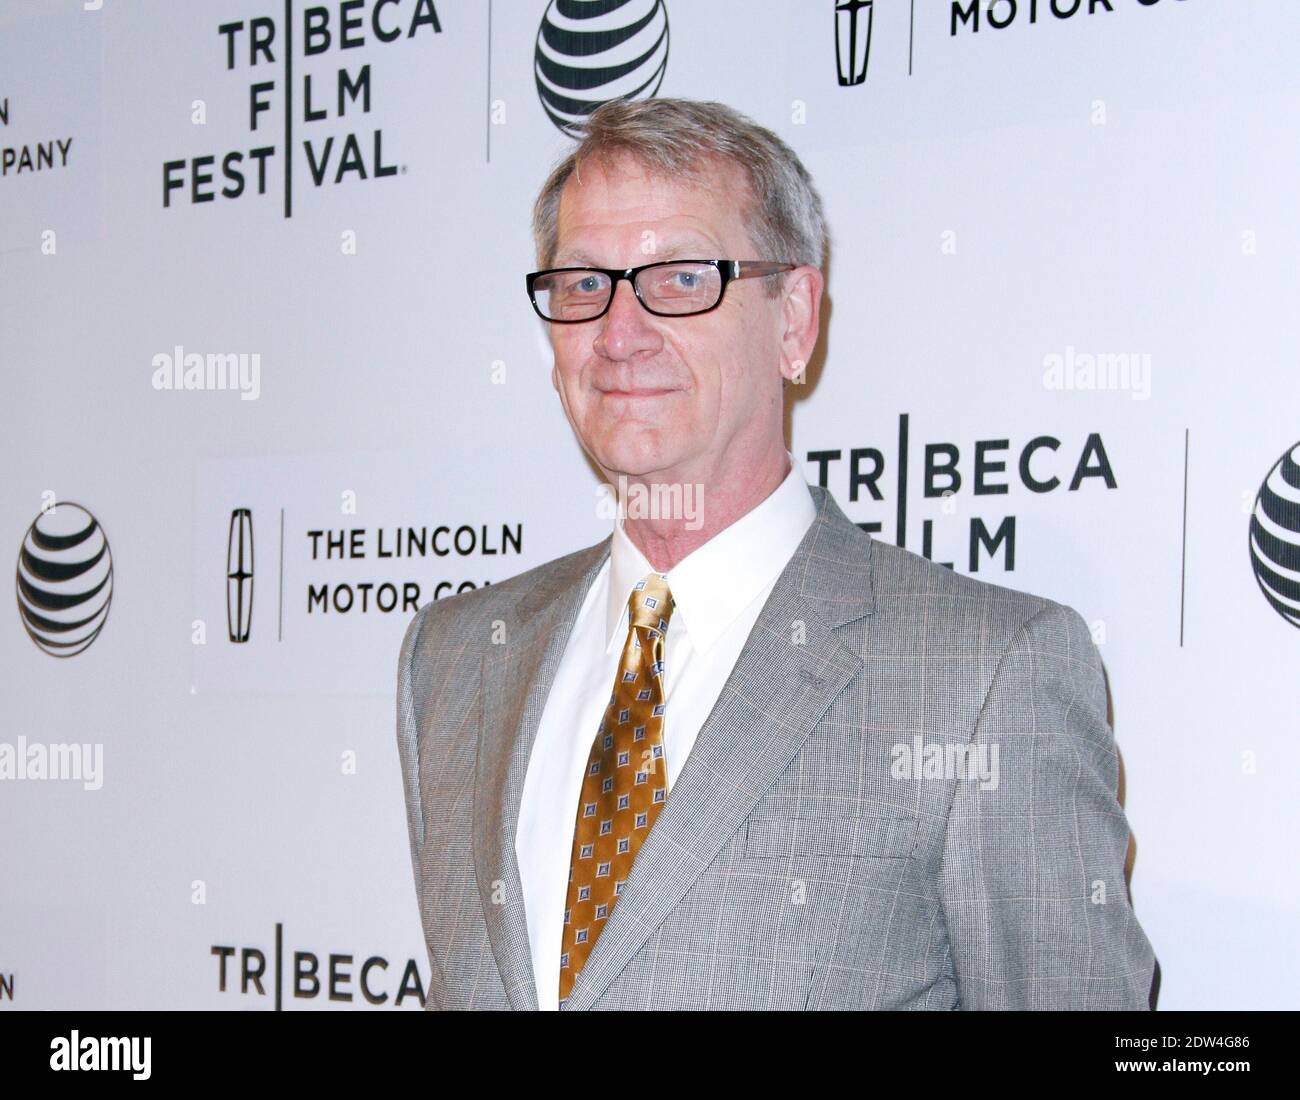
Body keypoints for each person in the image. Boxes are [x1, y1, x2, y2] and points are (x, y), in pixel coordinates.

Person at [395, 97, 1156, 1011]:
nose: (620, 332)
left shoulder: (983, 678)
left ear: (794, 319)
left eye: (680, 279)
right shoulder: (456, 661)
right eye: (583, 283)